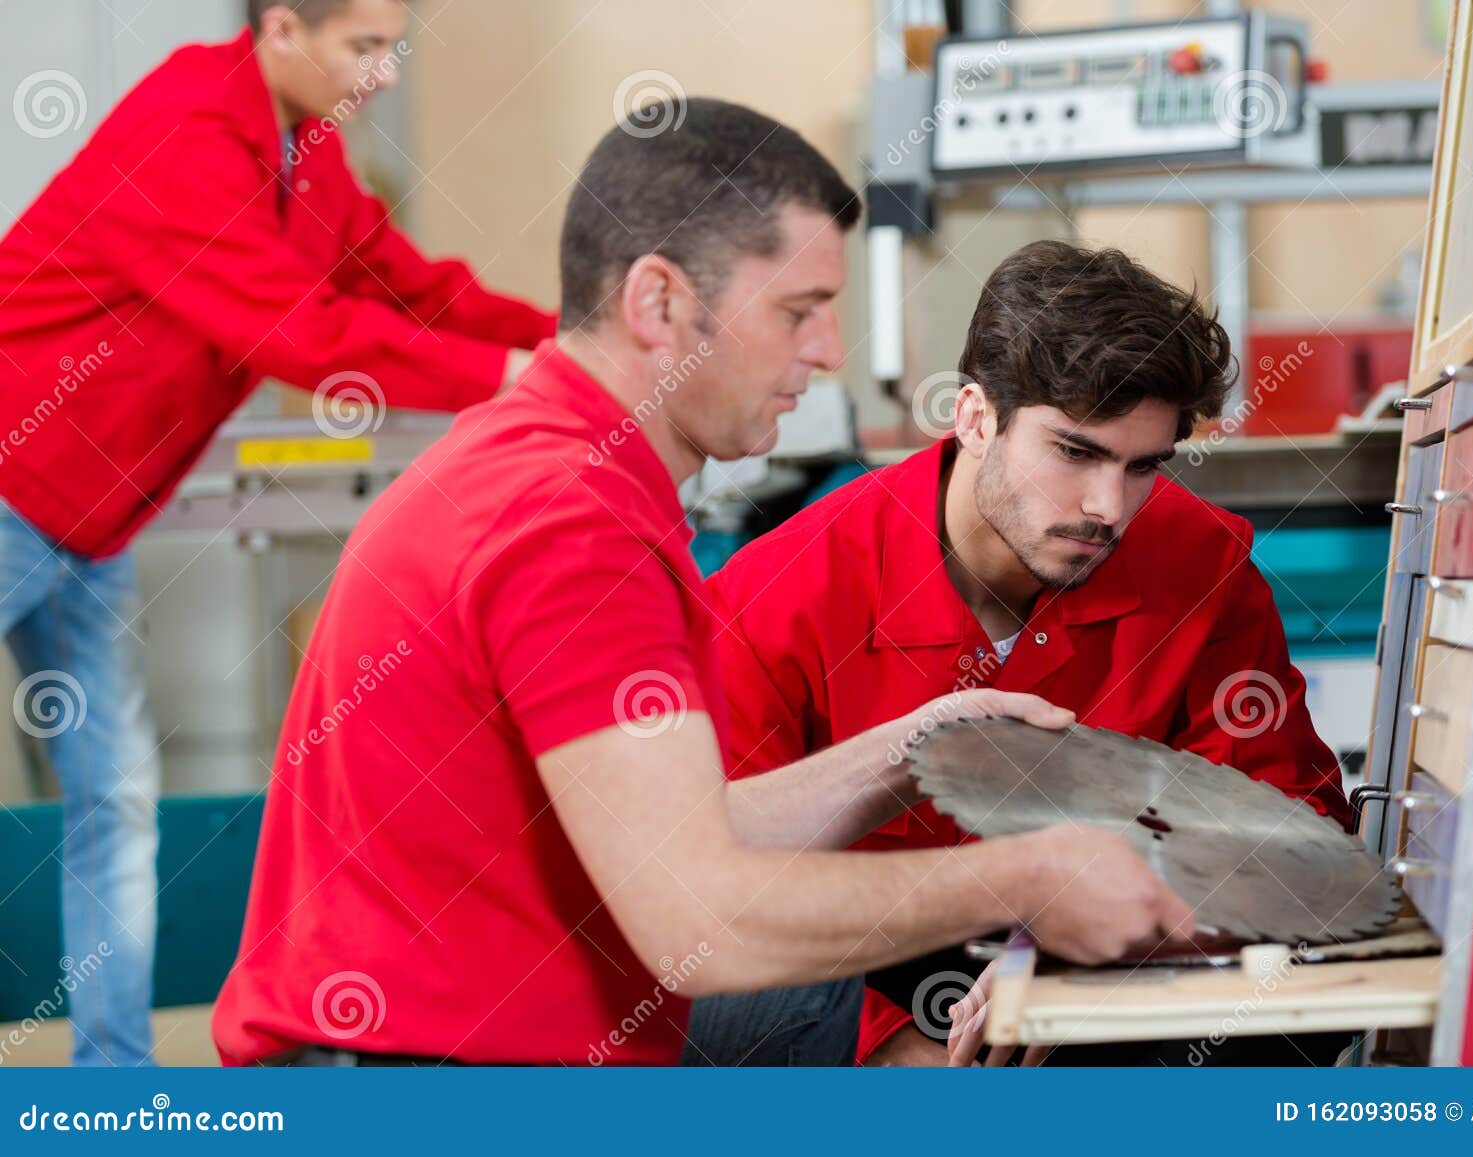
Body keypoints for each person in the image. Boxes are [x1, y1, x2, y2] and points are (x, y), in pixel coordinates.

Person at [211, 99, 1198, 1067]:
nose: (826, 351)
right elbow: (704, 916)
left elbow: (664, 832)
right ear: (658, 302)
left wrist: (911, 749)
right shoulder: (568, 524)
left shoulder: (550, 470)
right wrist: (1025, 874)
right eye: (799, 312)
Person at [0, 0, 553, 1066]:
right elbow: (302, 333)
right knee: (110, 803)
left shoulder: (307, 148)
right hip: (11, 485)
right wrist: (505, 380)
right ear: (283, 28)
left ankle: (109, 1082)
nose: (385, 74)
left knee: (114, 804)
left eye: (394, 48)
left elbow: (403, 284)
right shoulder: (186, 134)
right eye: (365, 48)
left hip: (96, 521)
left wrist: (567, 344)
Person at [695, 239, 1355, 1066]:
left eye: (1143, 465)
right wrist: (899, 1055)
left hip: (1101, 973)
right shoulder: (779, 593)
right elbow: (703, 885)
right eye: (1075, 453)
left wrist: (1089, 946)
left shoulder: (1203, 565)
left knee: (1297, 995)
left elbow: (1296, 835)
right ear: (975, 416)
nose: (1107, 507)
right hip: (859, 977)